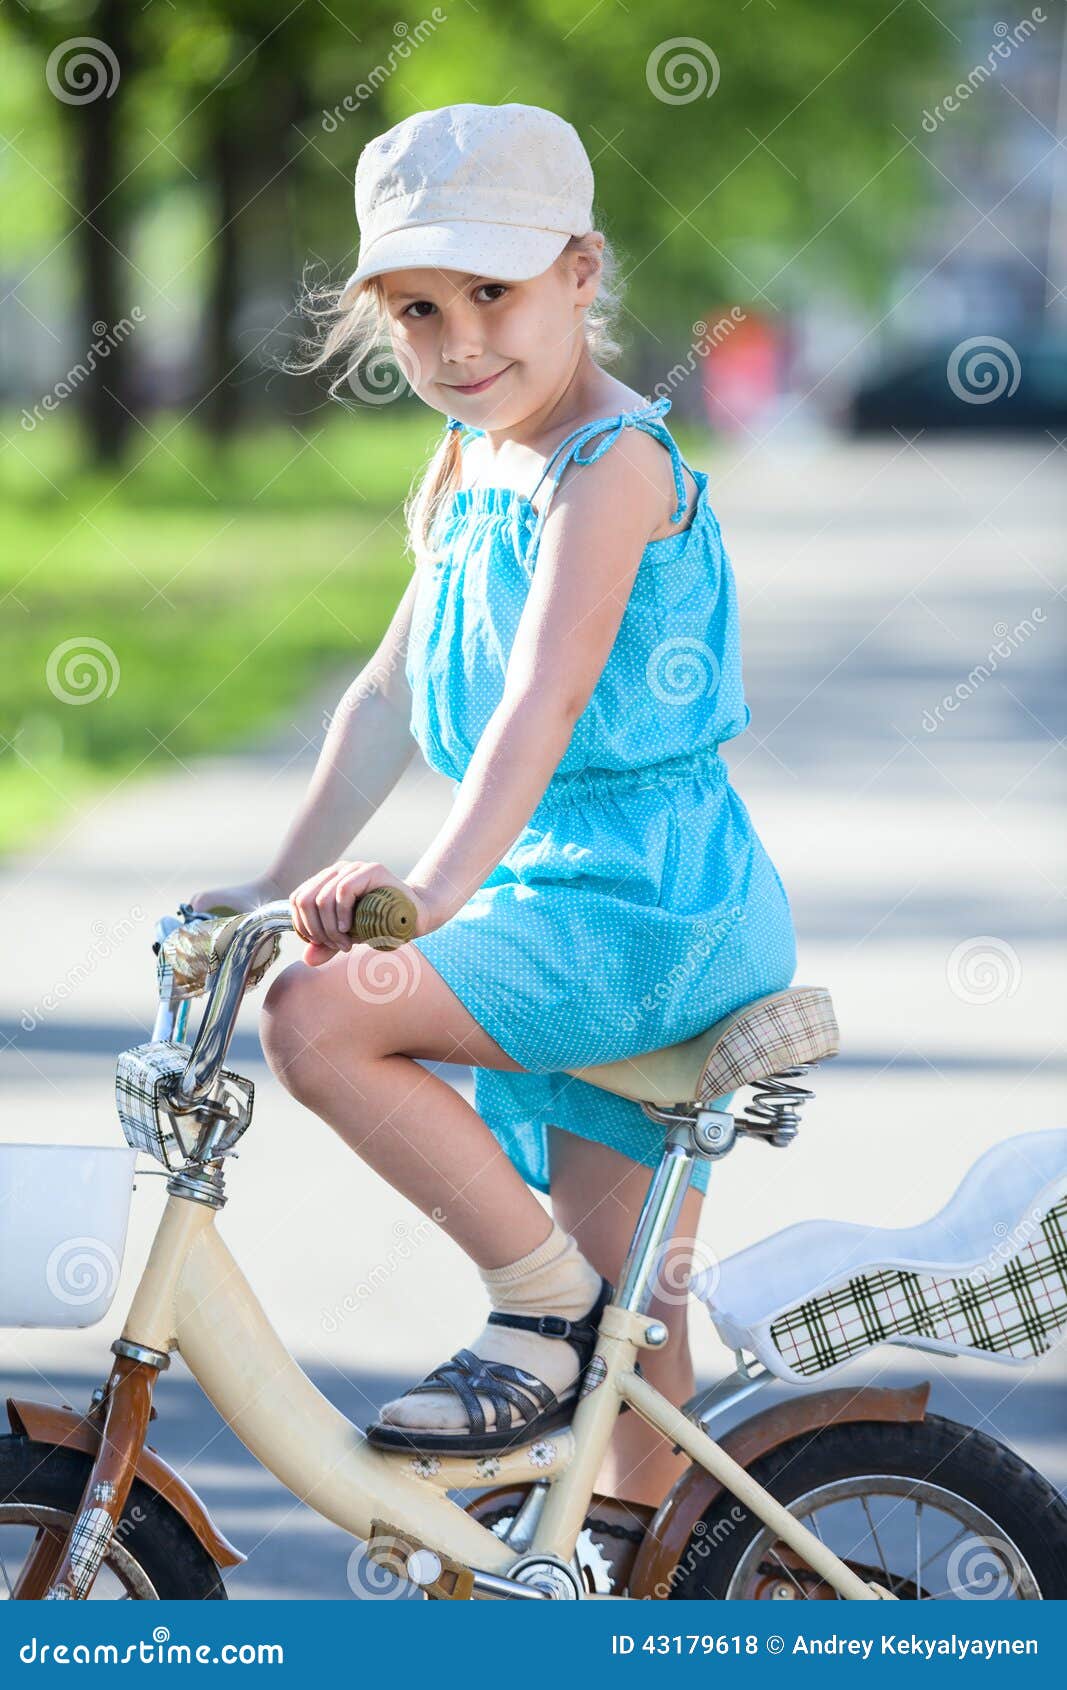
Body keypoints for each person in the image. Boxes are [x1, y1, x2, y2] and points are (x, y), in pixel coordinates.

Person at [191, 102, 796, 1508]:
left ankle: (540, 1310)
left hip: (646, 902)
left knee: (320, 1016)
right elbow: (387, 704)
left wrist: (435, 892)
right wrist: (262, 887)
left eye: (494, 293)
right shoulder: (466, 468)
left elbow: (543, 700)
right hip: (560, 902)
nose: (461, 342)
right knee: (641, 1378)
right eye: (418, 308)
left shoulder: (612, 464)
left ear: (581, 275)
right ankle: (683, 1592)